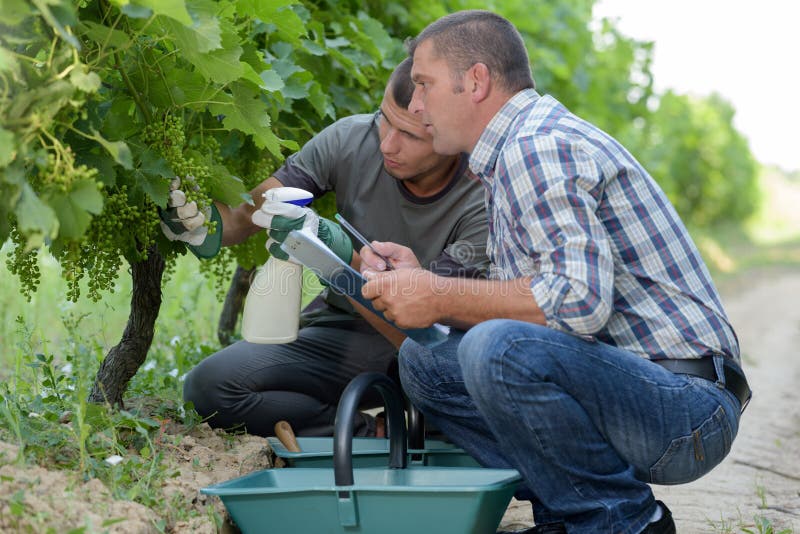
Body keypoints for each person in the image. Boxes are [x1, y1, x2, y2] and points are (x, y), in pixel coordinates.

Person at [360, 11, 750, 534]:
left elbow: (576, 303)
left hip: (684, 408)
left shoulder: (535, 147)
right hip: (637, 389)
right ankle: (569, 513)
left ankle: (623, 521)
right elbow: (531, 301)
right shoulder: (513, 151)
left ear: (475, 81)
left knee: (495, 348)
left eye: (425, 85)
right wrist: (422, 277)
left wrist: (437, 294)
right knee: (426, 362)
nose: (415, 105)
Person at [161, 57, 489, 438]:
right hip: (344, 329)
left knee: (467, 391)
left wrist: (337, 259)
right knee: (210, 387)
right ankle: (373, 434)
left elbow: (424, 334)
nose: (387, 144)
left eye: (412, 135)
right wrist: (209, 223)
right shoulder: (351, 138)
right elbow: (261, 205)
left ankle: (426, 425)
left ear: (452, 133)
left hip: (430, 345)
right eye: (384, 119)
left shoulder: (481, 197)